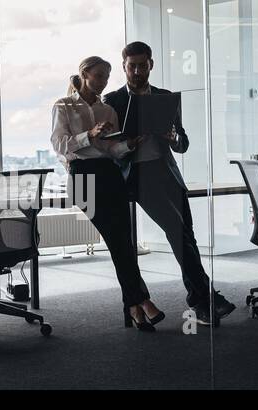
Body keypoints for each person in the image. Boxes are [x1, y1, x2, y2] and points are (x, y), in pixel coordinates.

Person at [103, 41, 236, 326]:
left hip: (166, 173)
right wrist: (128, 144)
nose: (137, 71)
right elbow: (107, 149)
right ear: (124, 66)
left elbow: (183, 143)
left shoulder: (164, 97)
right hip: (137, 175)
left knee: (186, 235)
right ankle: (205, 300)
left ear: (152, 64)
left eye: (142, 65)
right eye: (132, 66)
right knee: (179, 233)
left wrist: (172, 136)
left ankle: (202, 301)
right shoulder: (112, 101)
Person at [50, 55, 165, 332]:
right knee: (117, 241)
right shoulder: (63, 105)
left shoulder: (108, 111)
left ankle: (135, 308)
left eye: (107, 76)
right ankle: (142, 301)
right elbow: (59, 145)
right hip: (83, 177)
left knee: (124, 241)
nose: (103, 82)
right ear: (85, 74)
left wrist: (128, 145)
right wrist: (89, 134)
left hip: (110, 174)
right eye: (99, 75)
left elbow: (111, 150)